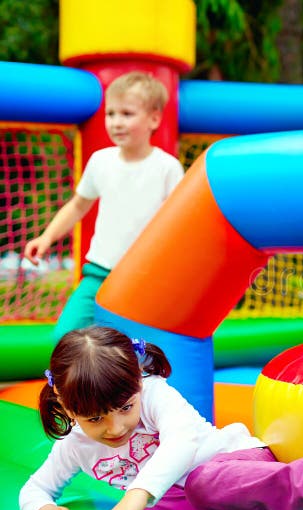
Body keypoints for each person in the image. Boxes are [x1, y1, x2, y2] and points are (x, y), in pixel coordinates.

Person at [20, 326, 303, 510]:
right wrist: (41, 508)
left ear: (137, 381)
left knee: (198, 486)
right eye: (95, 419)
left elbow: (182, 442)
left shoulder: (153, 393)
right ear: (65, 404)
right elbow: (36, 486)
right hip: (189, 500)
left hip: (236, 465)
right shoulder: (75, 445)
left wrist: (135, 496)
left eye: (125, 408)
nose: (116, 427)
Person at [23, 72, 185, 342]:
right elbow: (77, 206)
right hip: (99, 274)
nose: (116, 122)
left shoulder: (167, 167)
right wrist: (47, 237)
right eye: (110, 114)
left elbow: (178, 223)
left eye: (127, 113)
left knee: (138, 346)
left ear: (154, 119)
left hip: (146, 277)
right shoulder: (101, 161)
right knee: (65, 338)